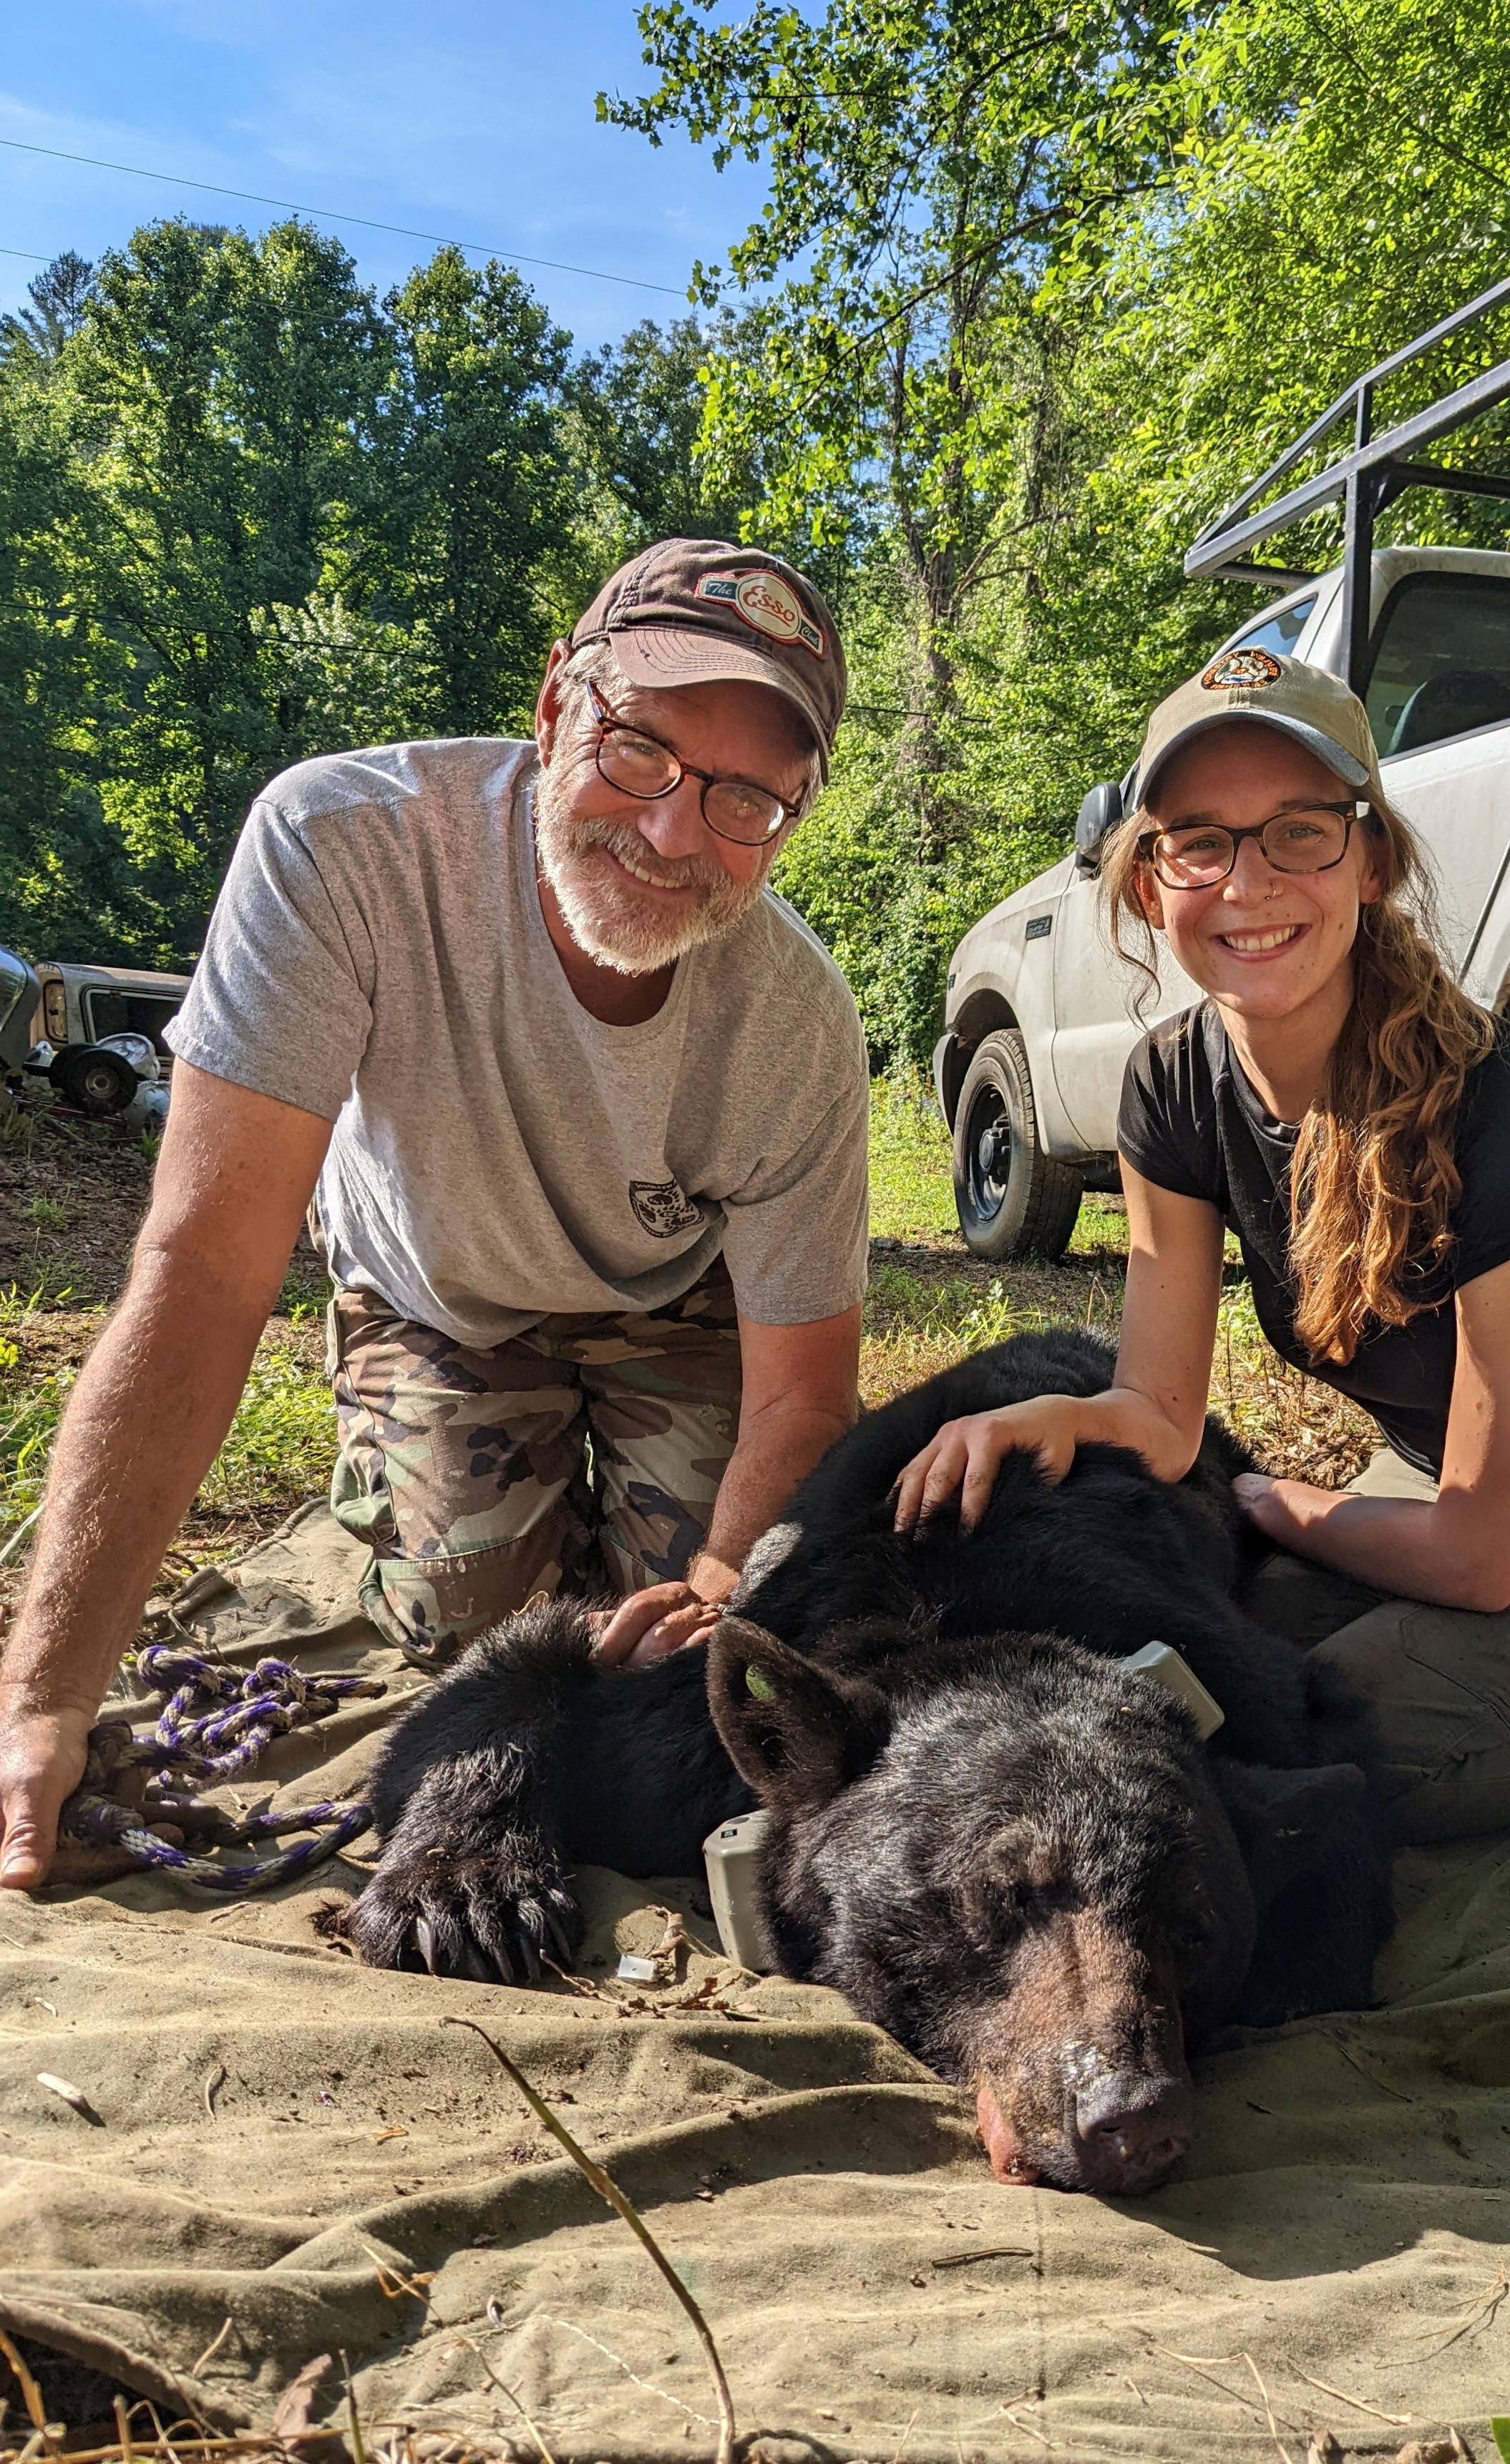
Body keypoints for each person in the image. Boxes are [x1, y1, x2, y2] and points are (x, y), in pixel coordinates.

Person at [893, 648, 1510, 1840]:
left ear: (1370, 858)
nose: (1247, 883)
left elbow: (1475, 1560)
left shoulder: (1499, 1105)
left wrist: (1268, 1501)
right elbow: (1158, 1413)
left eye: (1297, 833)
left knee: (1339, 1757)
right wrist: (1056, 1419)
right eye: (1199, 840)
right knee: (1211, 1676)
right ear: (1150, 883)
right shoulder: (1168, 1085)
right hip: (1452, 1483)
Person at [0, 539, 871, 1892]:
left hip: (675, 1300)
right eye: (638, 749)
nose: (671, 833)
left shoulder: (801, 1023)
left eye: (747, 798)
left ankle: (623, 1520)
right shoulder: (341, 845)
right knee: (479, 1639)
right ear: (552, 706)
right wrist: (47, 1696)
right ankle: (456, 1488)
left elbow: (801, 1402)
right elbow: (204, 1276)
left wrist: (713, 1588)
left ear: (793, 816)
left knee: (694, 1660)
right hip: (436, 1287)